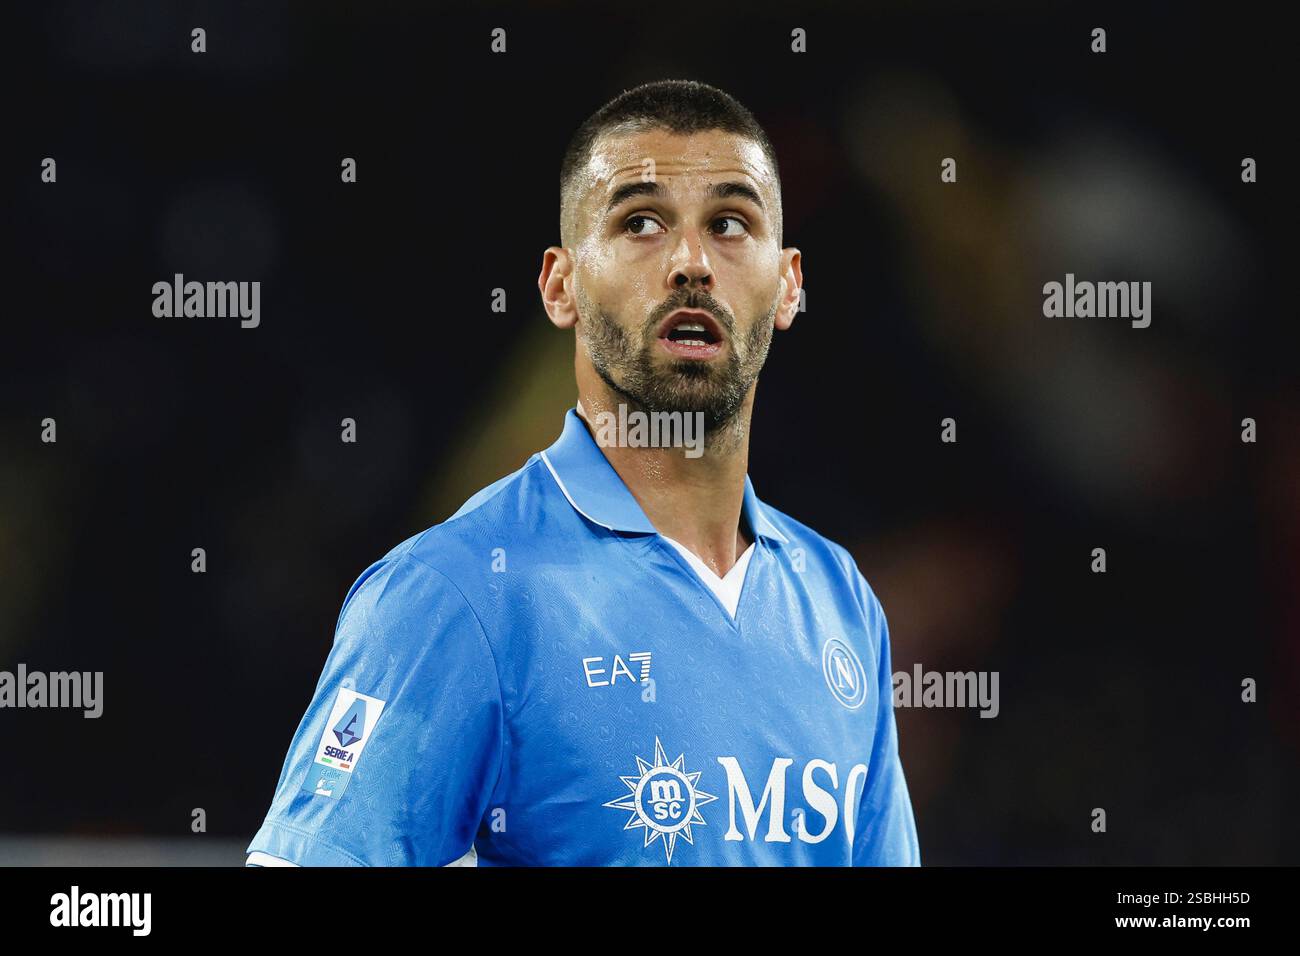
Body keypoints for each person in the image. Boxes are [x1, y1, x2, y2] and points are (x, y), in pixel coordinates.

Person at [246, 78, 919, 866]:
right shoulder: (454, 593)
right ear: (560, 285)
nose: (691, 263)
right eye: (640, 222)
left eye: (730, 223)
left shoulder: (838, 601)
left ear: (789, 284)